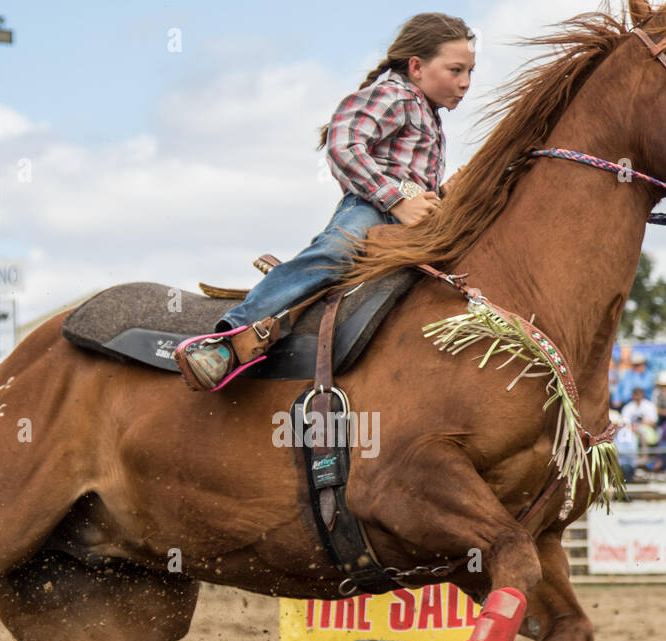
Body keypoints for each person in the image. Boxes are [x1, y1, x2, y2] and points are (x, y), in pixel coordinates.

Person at [173, 14, 475, 390]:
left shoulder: (429, 116)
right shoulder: (394, 96)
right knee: (333, 256)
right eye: (456, 70)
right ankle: (229, 338)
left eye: (469, 73)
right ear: (416, 67)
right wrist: (396, 199)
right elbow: (344, 144)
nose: (464, 83)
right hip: (373, 209)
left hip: (409, 220)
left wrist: (443, 197)